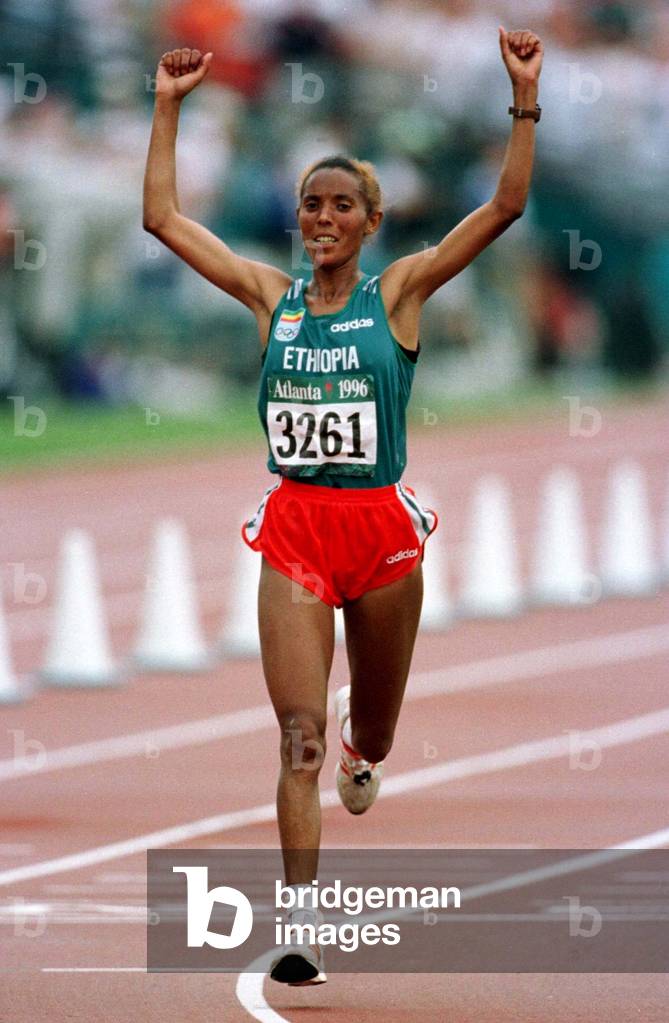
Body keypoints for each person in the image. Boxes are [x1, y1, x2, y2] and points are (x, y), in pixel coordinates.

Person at [143, 26, 543, 986]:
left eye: (340, 206)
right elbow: (161, 218)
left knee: (371, 729)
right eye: (310, 205)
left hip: (379, 533)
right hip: (295, 530)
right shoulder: (269, 299)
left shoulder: (398, 294)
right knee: (298, 737)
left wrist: (523, 98)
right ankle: (300, 924)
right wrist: (166, 108)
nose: (321, 218)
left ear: (369, 223)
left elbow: (505, 206)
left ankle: (368, 752)